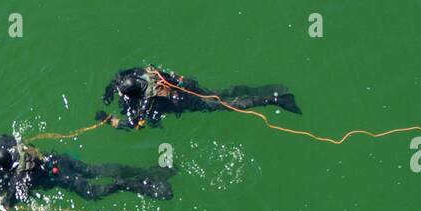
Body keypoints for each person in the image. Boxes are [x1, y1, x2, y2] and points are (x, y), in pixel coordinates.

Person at [0, 133, 173, 211]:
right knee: (92, 170)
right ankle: (149, 172)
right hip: (60, 160)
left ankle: (124, 184)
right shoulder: (11, 146)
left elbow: (12, 200)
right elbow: (6, 137)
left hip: (59, 175)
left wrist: (0, 198)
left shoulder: (20, 177)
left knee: (92, 192)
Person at [97, 66, 301, 131]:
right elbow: (117, 78)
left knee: (226, 105)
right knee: (221, 93)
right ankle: (260, 90)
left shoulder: (146, 99)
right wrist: (109, 90)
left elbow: (133, 125)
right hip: (186, 88)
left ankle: (275, 99)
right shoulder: (140, 73)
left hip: (185, 100)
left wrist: (108, 120)